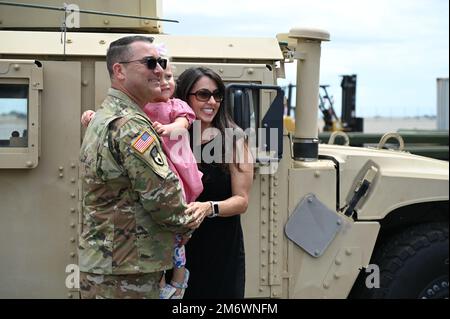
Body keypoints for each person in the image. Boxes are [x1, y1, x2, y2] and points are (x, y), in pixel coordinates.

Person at [78, 35, 194, 299]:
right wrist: (190, 220)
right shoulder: (131, 126)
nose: (160, 70)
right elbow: (163, 199)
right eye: (150, 62)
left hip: (112, 266)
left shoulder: (106, 116)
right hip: (127, 272)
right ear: (119, 70)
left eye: (162, 62)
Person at [174, 67, 254, 299]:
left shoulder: (235, 140)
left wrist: (209, 208)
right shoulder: (171, 136)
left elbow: (242, 201)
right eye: (203, 95)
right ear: (184, 97)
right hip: (178, 247)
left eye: (217, 95)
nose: (212, 101)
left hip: (221, 248)